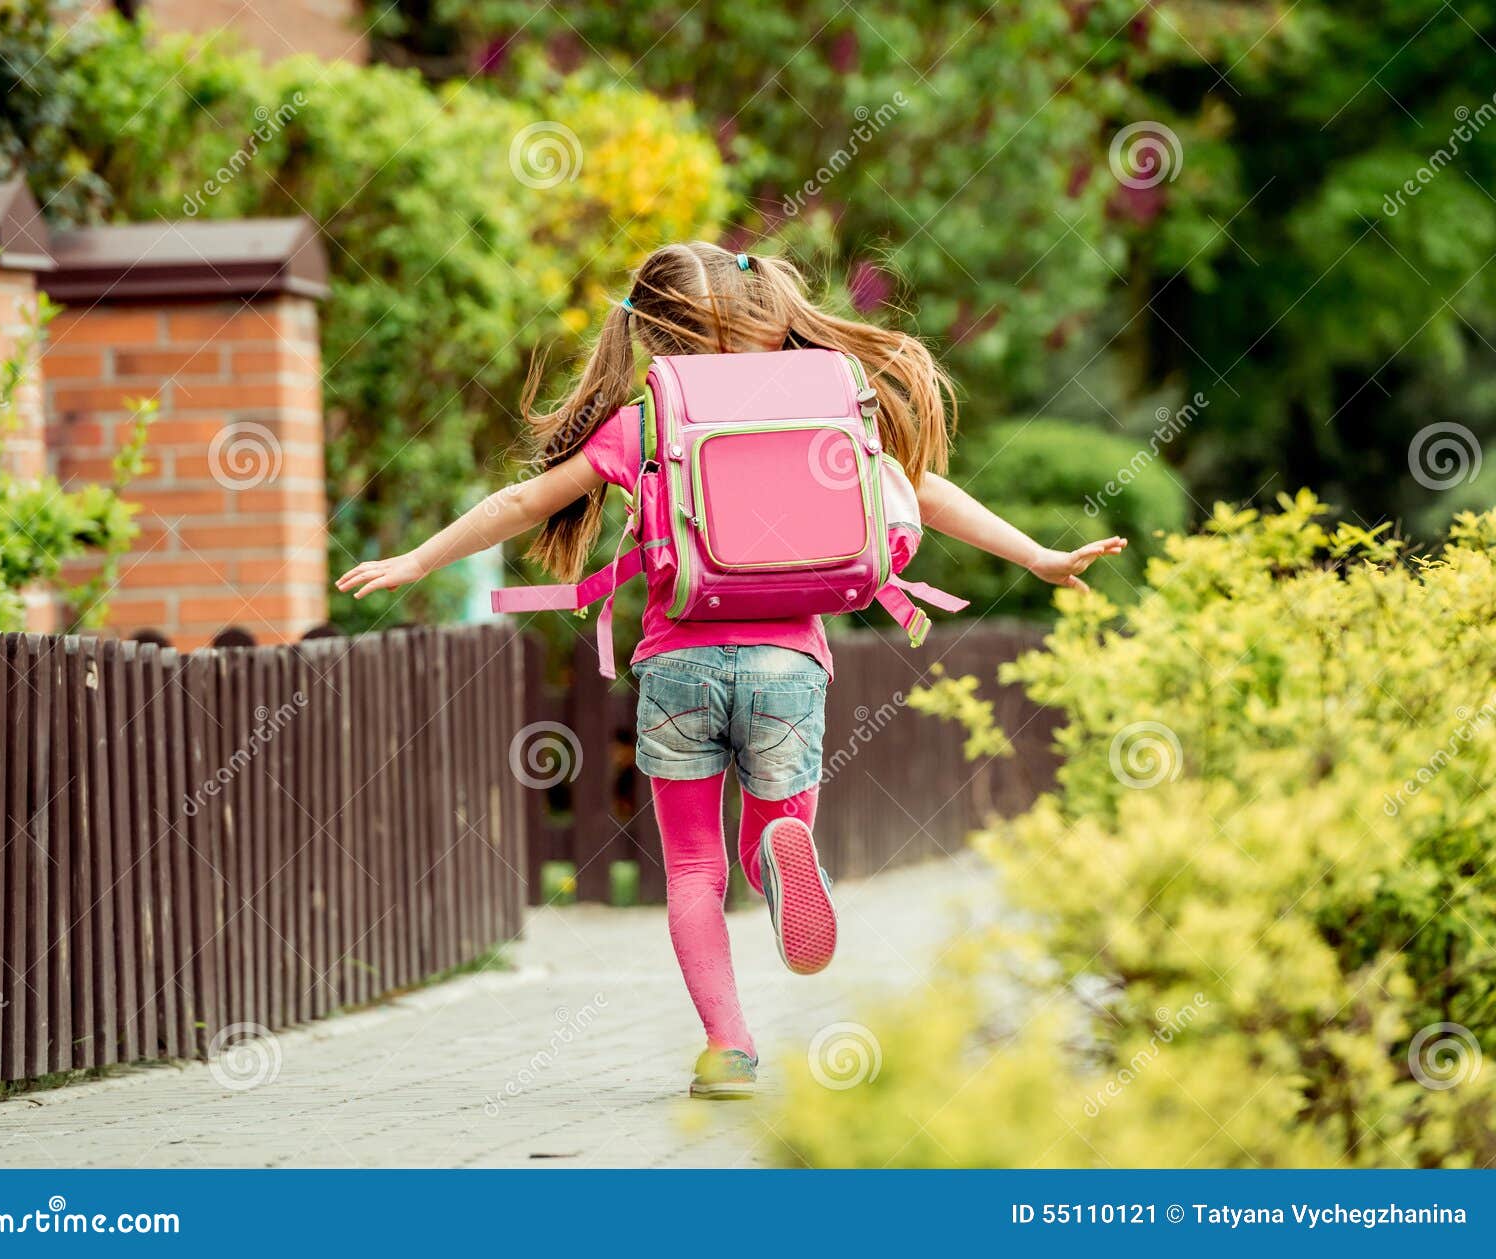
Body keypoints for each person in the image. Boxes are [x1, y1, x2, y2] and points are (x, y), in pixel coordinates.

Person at [337, 242, 1126, 1100]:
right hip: (789, 663)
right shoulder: (829, 405)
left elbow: (525, 501)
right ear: (767, 321)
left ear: (656, 339)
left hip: (679, 661)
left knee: (691, 870)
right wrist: (1039, 555)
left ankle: (728, 1046)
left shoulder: (646, 421)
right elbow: (924, 492)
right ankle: (780, 855)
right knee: (769, 837)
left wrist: (418, 558)